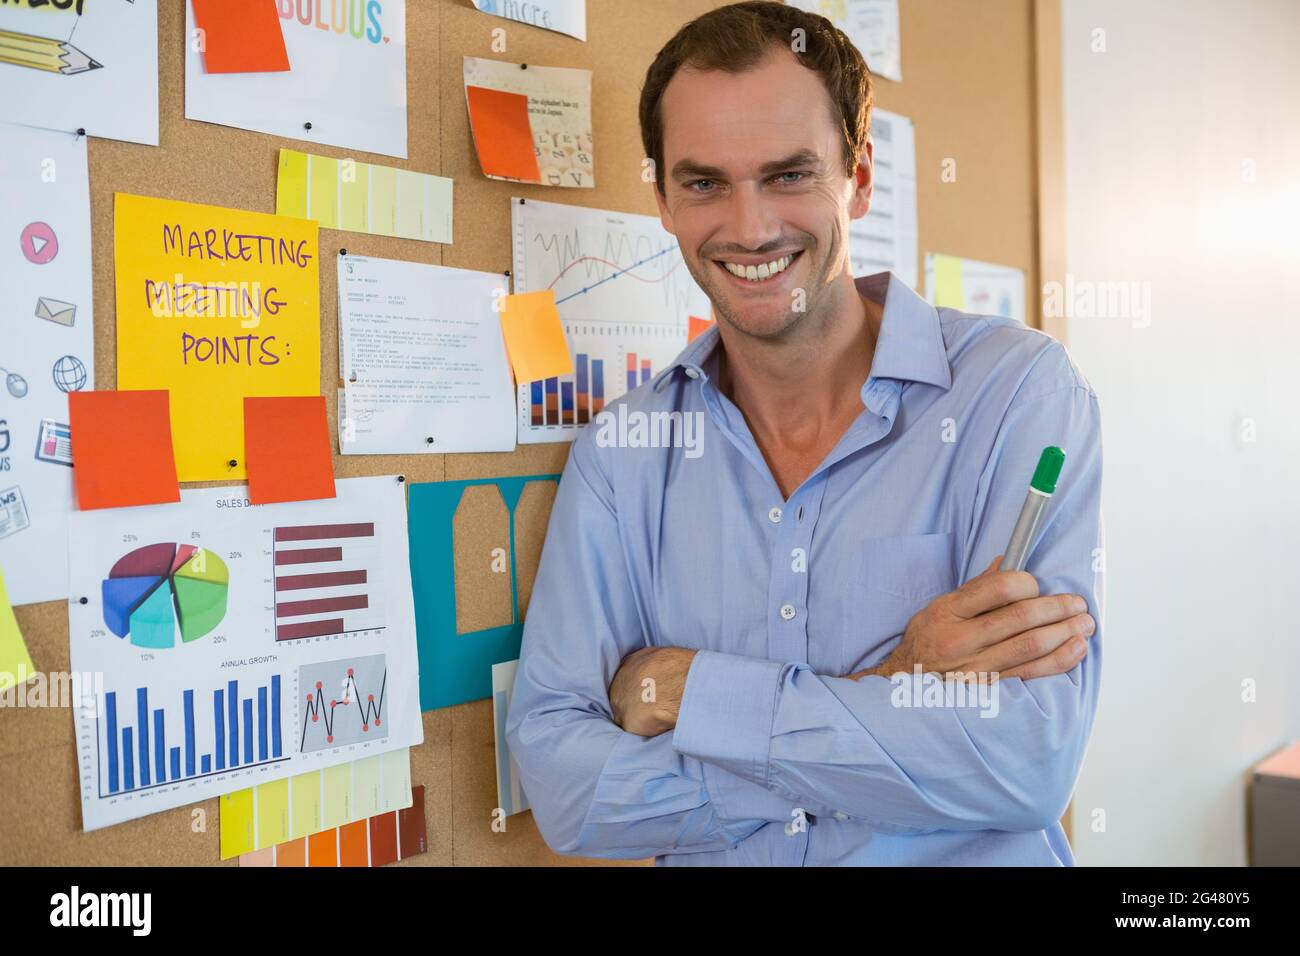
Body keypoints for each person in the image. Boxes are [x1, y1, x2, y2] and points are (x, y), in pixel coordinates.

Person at [506, 0, 1103, 866]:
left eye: (789, 175)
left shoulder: (1014, 396)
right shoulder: (620, 459)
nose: (749, 228)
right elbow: (568, 790)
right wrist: (889, 689)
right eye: (705, 182)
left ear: (858, 179)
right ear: (664, 200)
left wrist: (694, 695)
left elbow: (1024, 764)